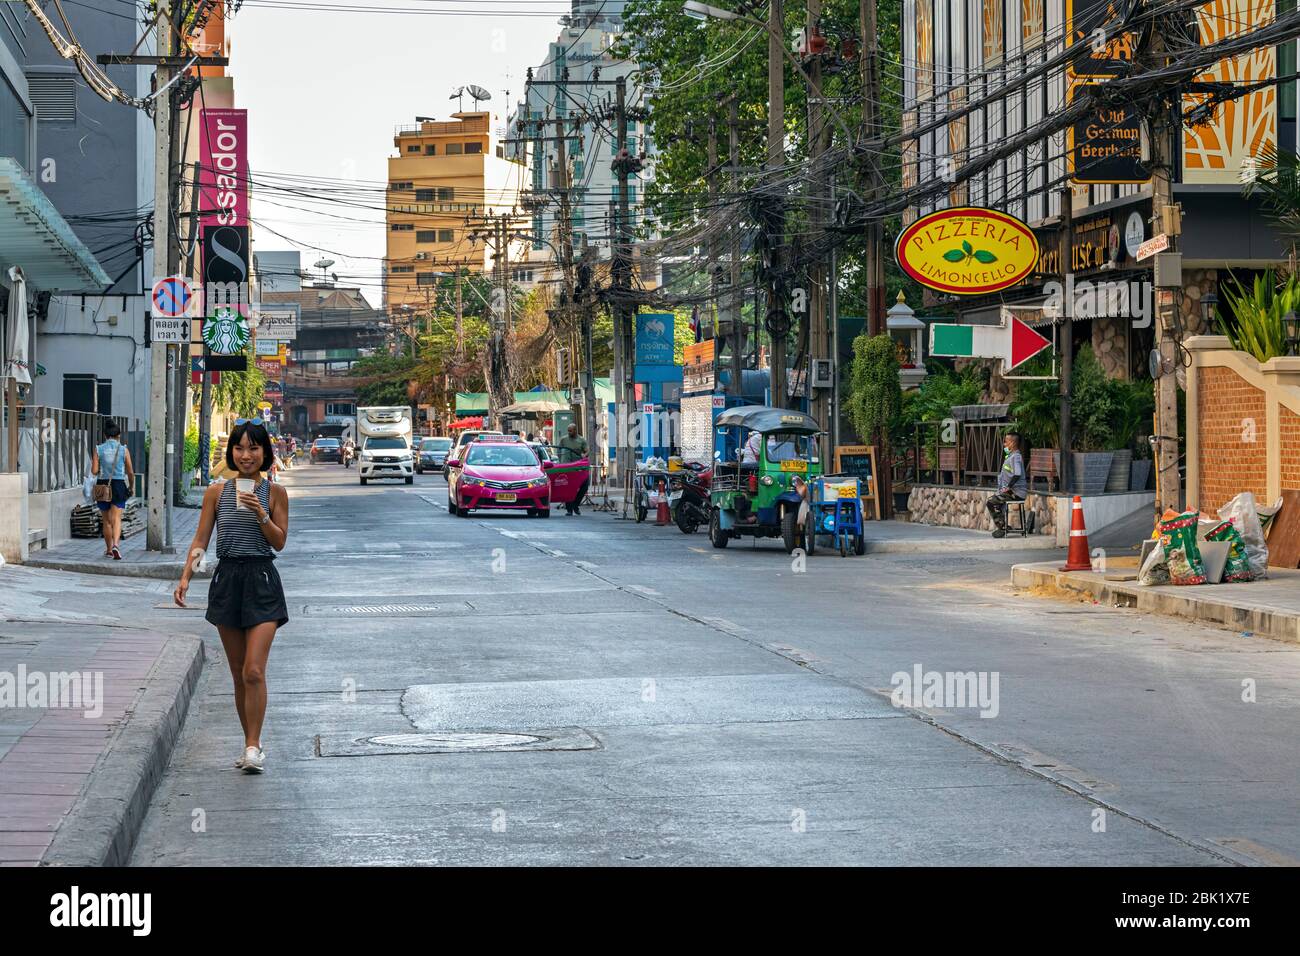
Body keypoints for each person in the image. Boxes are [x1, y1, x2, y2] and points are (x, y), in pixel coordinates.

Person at [174, 418, 290, 775]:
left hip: (263, 580)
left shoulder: (274, 493)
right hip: (227, 580)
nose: (246, 454)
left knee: (255, 670)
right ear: (232, 453)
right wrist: (185, 576)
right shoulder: (215, 492)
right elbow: (201, 539)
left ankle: (254, 747)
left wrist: (261, 515)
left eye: (253, 448)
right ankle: (248, 742)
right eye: (239, 448)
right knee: (239, 673)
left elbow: (280, 541)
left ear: (264, 452)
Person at [90, 422, 134, 560]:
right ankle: (116, 545)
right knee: (116, 518)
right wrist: (131, 487)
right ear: (118, 436)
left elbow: (94, 471)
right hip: (119, 485)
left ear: (105, 435)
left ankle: (109, 550)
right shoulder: (123, 450)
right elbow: (130, 472)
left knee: (106, 521)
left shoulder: (98, 449)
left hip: (103, 486)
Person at [986, 431, 1027, 538]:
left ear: (1012, 443)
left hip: (1016, 492)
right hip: (1010, 491)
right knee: (996, 501)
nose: (1004, 444)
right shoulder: (1010, 455)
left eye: (1006, 442)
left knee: (991, 502)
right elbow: (1007, 464)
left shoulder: (1016, 457)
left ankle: (1002, 528)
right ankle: (1003, 526)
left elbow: (1017, 474)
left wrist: (1008, 487)